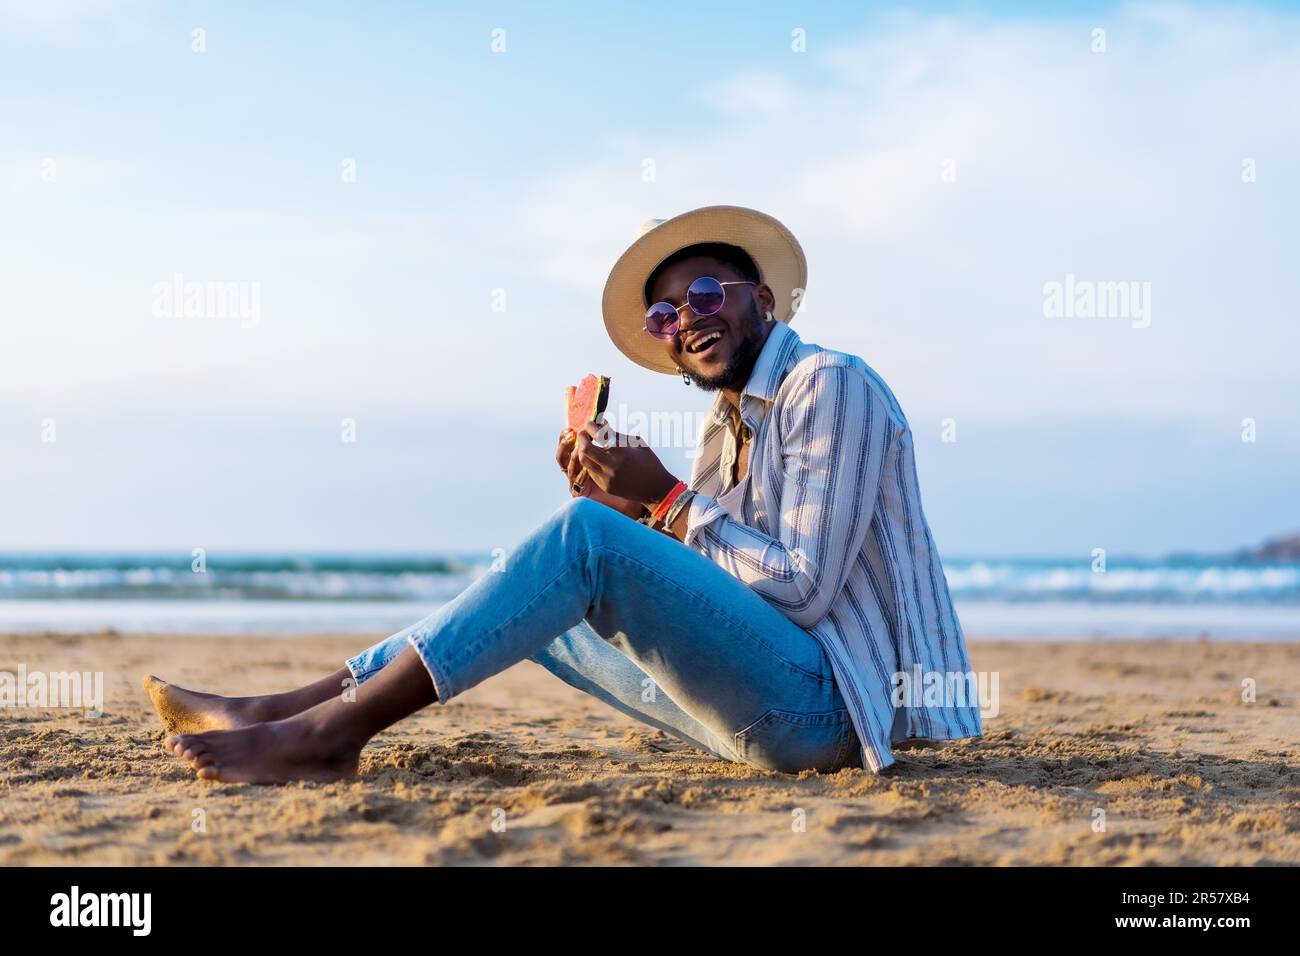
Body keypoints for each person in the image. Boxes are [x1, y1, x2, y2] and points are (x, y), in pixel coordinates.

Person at [146, 205, 982, 783]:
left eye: (704, 295)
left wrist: (661, 504)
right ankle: (291, 705)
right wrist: (633, 514)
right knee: (540, 573)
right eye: (665, 316)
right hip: (758, 718)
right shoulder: (727, 424)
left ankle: (330, 736)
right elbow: (732, 593)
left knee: (578, 539)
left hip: (831, 714)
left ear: (760, 300)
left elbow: (801, 589)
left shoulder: (827, 384)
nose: (685, 321)